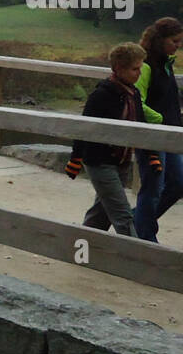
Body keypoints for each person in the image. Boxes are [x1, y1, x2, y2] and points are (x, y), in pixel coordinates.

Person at [64, 42, 160, 237]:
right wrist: (76, 159)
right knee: (123, 215)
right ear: (118, 68)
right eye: (135, 69)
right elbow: (84, 128)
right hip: (100, 162)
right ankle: (137, 259)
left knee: (101, 213)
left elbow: (140, 126)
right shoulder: (102, 95)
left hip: (121, 162)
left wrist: (151, 154)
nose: (139, 74)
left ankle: (85, 244)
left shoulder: (134, 94)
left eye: (140, 68)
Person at [133, 17, 183, 243]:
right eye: (175, 41)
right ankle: (146, 239)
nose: (179, 45)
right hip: (152, 136)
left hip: (171, 136)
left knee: (178, 186)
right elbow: (137, 100)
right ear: (161, 40)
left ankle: (135, 221)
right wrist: (160, 119)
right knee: (153, 188)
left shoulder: (167, 63)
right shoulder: (145, 66)